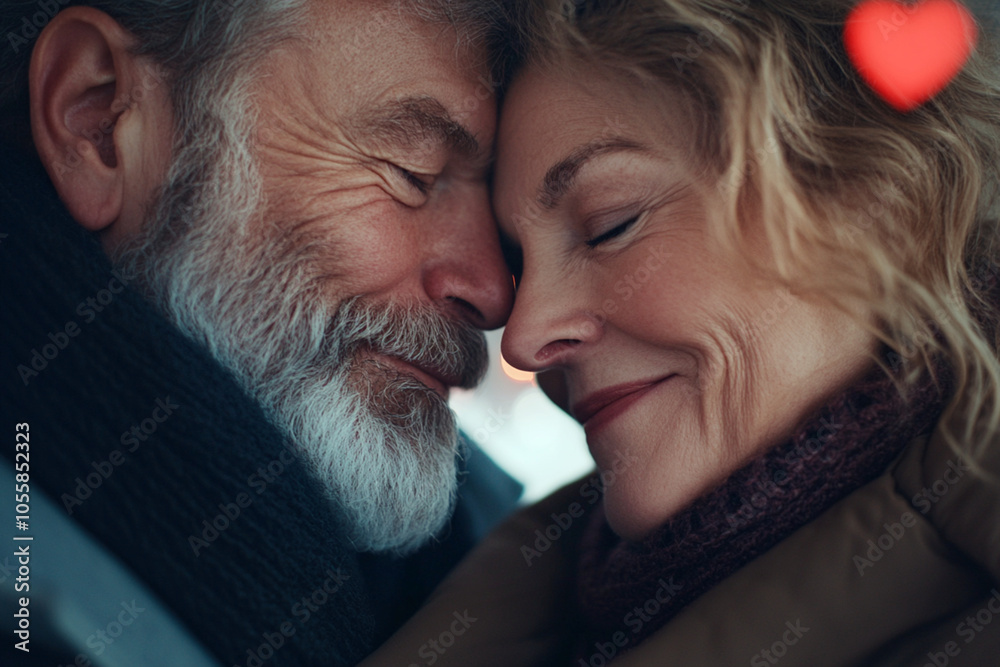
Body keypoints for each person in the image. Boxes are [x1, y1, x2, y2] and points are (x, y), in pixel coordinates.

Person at [360, 0, 1000, 665]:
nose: (522, 338)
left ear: (881, 198)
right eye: (518, 268)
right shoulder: (495, 600)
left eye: (610, 226)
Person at [0, 1, 523, 665]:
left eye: (504, 220)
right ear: (97, 120)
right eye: (411, 172)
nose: (494, 291)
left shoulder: (521, 579)